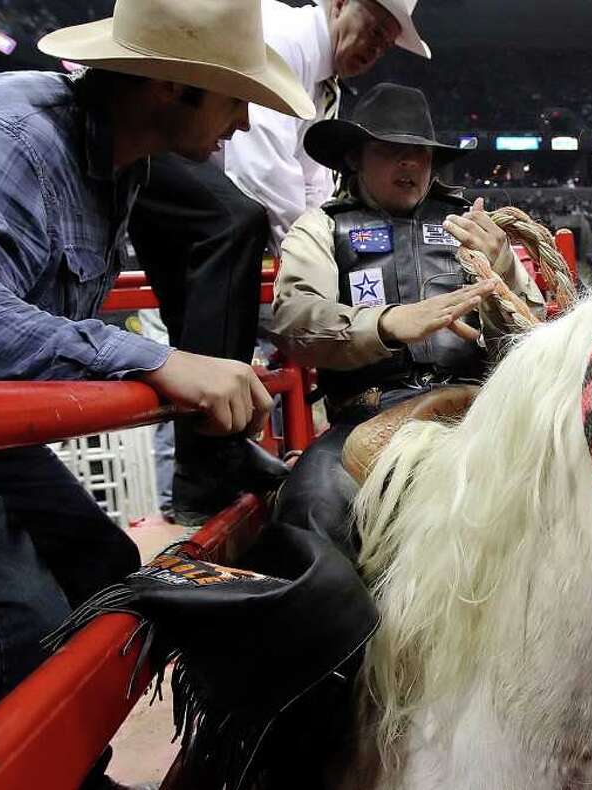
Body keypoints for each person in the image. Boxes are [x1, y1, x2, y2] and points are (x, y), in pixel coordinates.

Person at [0, 0, 312, 779]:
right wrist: (153, 361)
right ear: (170, 88)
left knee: (102, 569)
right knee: (17, 629)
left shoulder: (121, 162)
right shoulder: (12, 134)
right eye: (234, 98)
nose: (244, 124)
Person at [129, 0, 431, 524]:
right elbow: (261, 171)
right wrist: (318, 257)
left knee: (201, 303)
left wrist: (321, 250)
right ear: (339, 5)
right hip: (145, 123)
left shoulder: (324, 85)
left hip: (175, 156)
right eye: (374, 28)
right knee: (233, 224)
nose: (376, 45)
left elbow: (309, 180)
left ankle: (211, 462)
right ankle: (206, 469)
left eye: (386, 40)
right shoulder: (284, 38)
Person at [242, 83, 544, 570]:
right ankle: (343, 644)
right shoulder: (320, 227)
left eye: (419, 154)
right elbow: (296, 320)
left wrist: (504, 270)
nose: (409, 164)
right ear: (356, 158)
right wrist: (386, 325)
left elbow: (534, 334)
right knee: (310, 506)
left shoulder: (472, 227)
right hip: (367, 417)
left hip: (483, 405)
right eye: (391, 151)